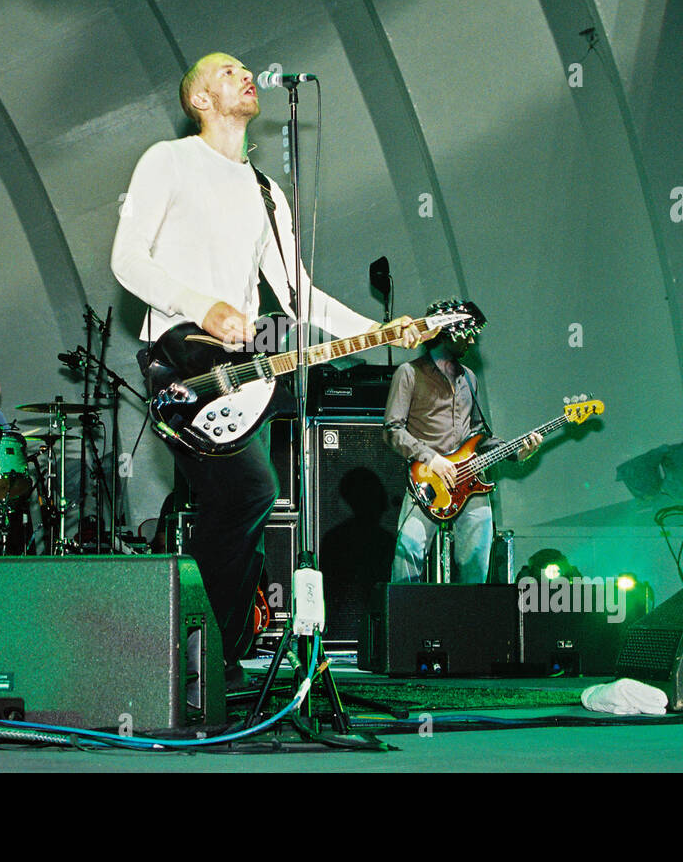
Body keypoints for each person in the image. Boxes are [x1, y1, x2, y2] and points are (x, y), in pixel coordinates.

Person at [112, 52, 419, 687]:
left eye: (247, 70)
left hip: (242, 371)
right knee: (248, 491)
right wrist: (203, 305)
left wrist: (377, 332)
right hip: (181, 361)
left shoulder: (266, 190)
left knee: (246, 495)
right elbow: (126, 260)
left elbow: (299, 293)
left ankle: (201, 660)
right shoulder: (166, 161)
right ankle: (194, 655)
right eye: (226, 71)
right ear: (198, 98)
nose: (245, 75)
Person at [383, 300, 541, 584]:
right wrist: (431, 457)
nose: (471, 340)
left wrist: (517, 452)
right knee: (408, 555)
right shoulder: (409, 373)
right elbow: (393, 430)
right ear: (445, 333)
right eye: (466, 333)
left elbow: (479, 435)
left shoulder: (469, 378)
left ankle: (469, 620)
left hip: (470, 482)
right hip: (427, 479)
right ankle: (404, 622)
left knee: (477, 560)